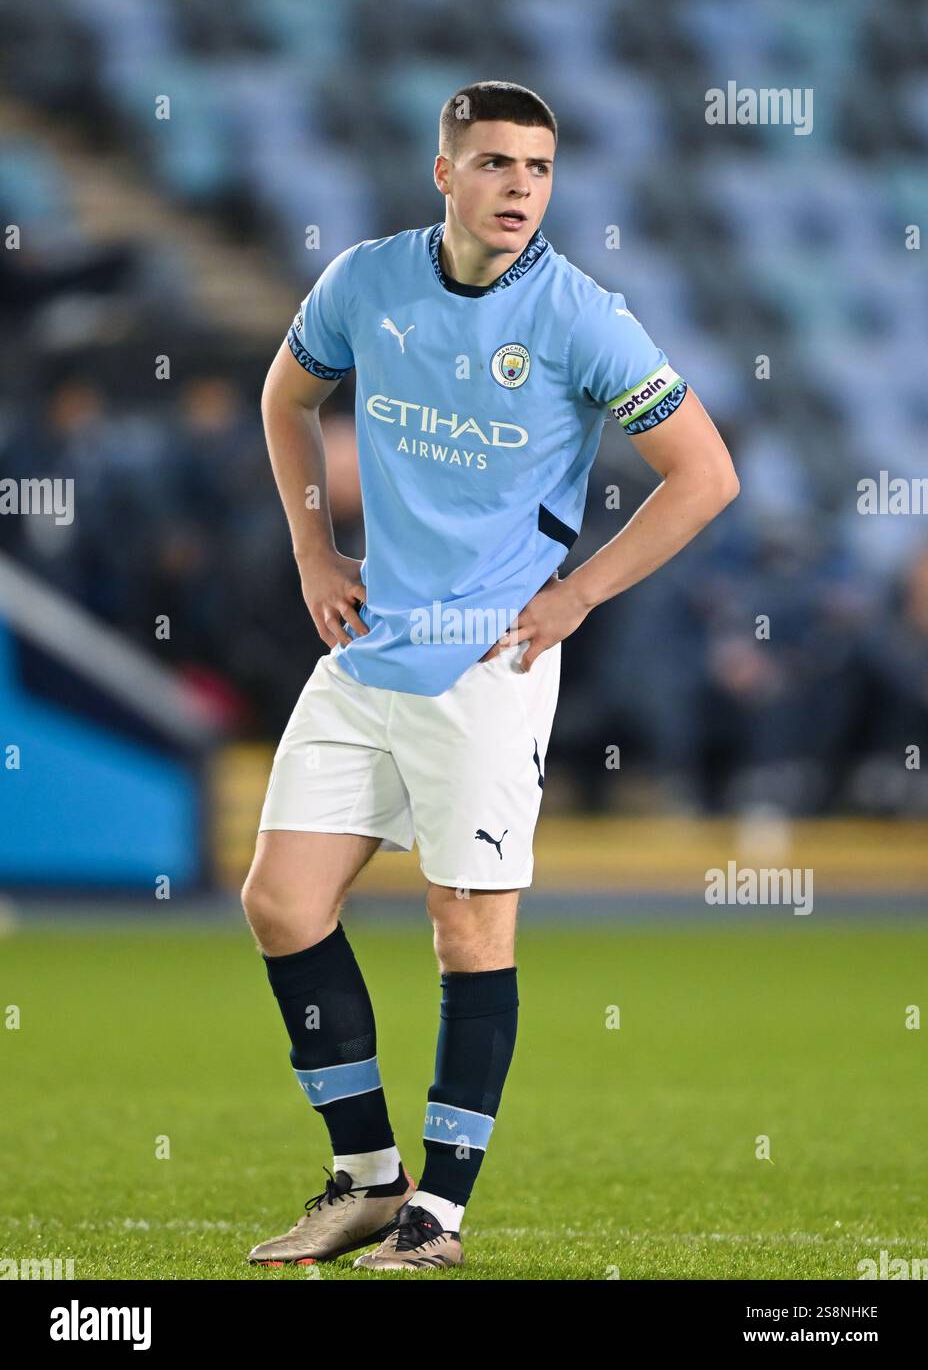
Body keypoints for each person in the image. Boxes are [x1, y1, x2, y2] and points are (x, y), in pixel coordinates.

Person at [241, 80, 739, 1272]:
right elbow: (286, 396)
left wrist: (575, 593)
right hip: (369, 651)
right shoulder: (365, 280)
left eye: (540, 169)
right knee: (279, 902)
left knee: (467, 928)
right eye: (497, 164)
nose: (520, 188)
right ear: (444, 172)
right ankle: (366, 1178)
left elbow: (704, 473)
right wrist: (315, 545)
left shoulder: (580, 316)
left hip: (489, 661)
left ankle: (439, 1214)